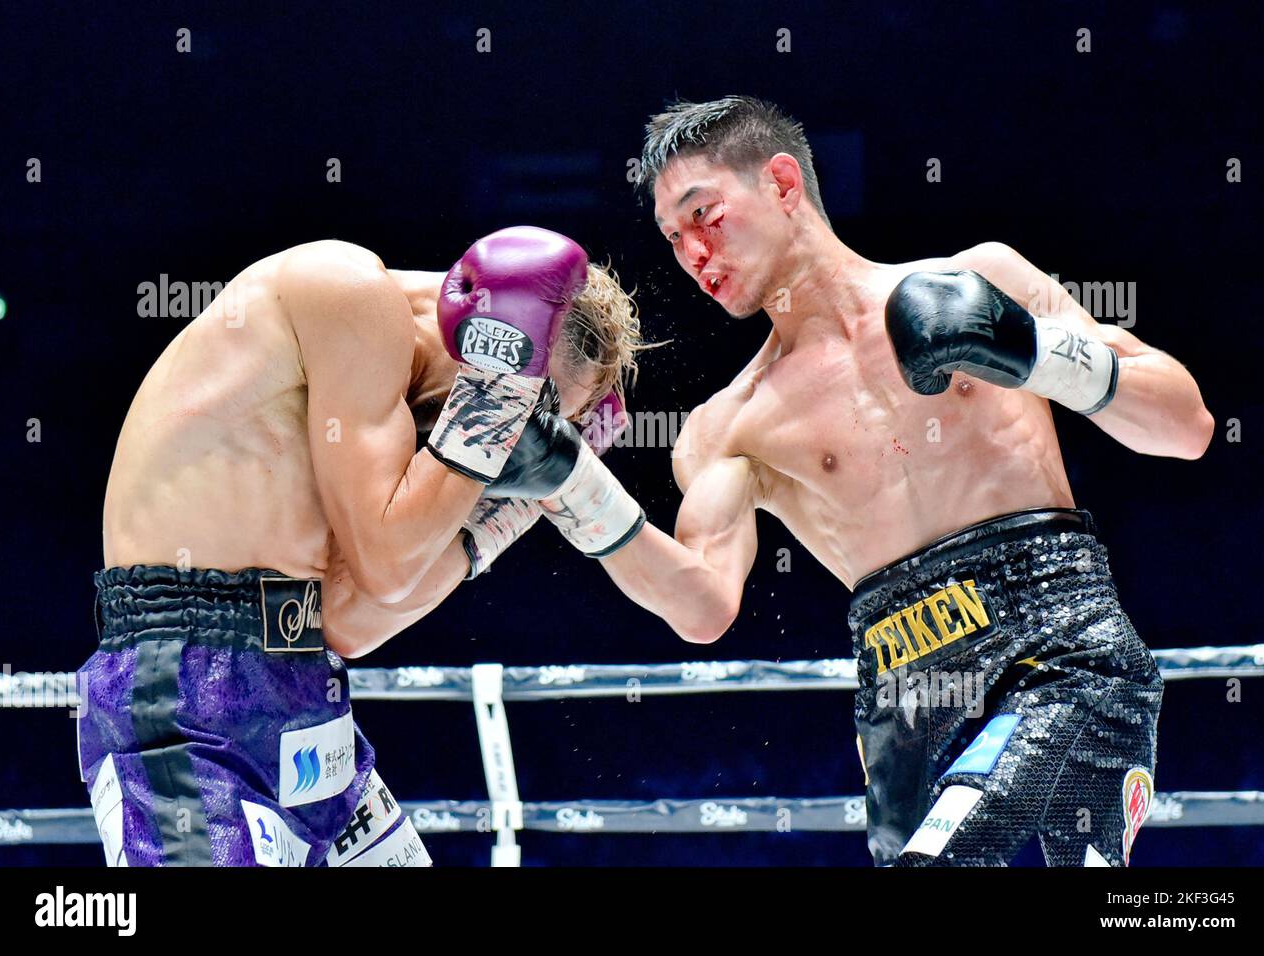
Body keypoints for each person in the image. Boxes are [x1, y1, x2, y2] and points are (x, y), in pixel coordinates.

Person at [511, 96, 1212, 866]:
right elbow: (702, 606)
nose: (693, 254)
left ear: (783, 183)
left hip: (1063, 662)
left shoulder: (982, 278)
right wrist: (572, 487)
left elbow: (1186, 428)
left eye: (703, 215)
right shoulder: (727, 427)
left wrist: (1032, 350)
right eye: (673, 238)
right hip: (903, 717)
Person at [79, 226, 644, 866]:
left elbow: (353, 618)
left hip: (301, 692)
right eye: (524, 404)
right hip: (186, 692)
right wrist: (497, 403)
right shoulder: (345, 289)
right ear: (495, 342)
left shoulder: (395, 422)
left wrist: (511, 511)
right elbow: (387, 566)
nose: (510, 440)